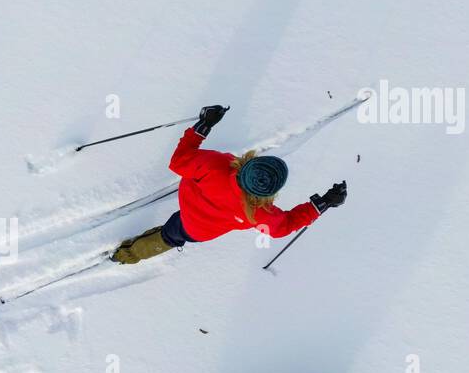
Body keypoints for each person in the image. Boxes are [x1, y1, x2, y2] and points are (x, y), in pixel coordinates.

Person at [112, 104, 348, 263]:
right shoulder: (260, 213)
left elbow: (179, 162)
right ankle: (127, 255)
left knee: (173, 227)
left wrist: (203, 126)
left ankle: (124, 255)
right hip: (196, 230)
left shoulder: (214, 166)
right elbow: (282, 227)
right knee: (170, 236)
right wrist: (322, 204)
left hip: (188, 208)